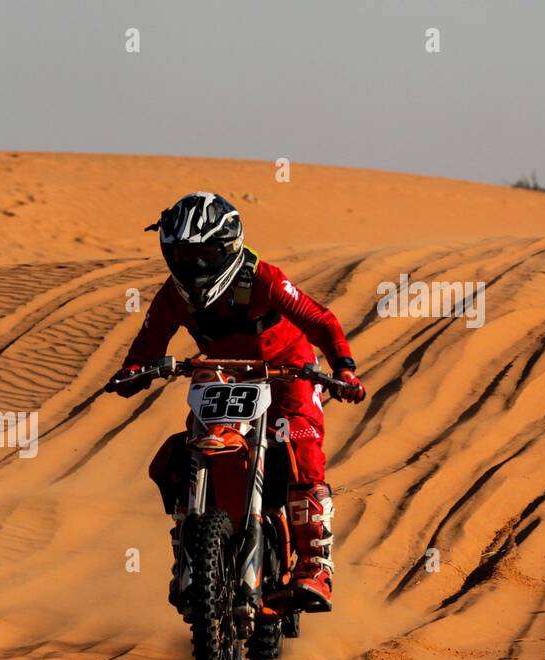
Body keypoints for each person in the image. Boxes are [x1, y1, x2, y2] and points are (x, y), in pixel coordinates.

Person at [107, 192, 365, 610]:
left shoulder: (262, 278)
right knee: (184, 451)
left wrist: (344, 368)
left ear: (229, 247)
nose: (195, 267)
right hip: (223, 371)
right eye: (183, 256)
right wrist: (134, 371)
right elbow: (149, 341)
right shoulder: (173, 295)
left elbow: (319, 319)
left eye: (206, 255)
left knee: (299, 443)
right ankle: (189, 554)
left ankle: (315, 564)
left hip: (287, 368)